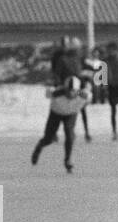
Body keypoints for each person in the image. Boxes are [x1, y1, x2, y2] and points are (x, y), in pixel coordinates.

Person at [31, 37, 88, 173]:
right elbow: (54, 79)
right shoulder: (62, 60)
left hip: (71, 110)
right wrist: (59, 88)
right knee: (49, 138)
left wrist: (83, 87)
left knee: (70, 135)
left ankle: (67, 160)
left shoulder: (81, 94)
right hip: (57, 110)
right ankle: (40, 146)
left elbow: (87, 81)